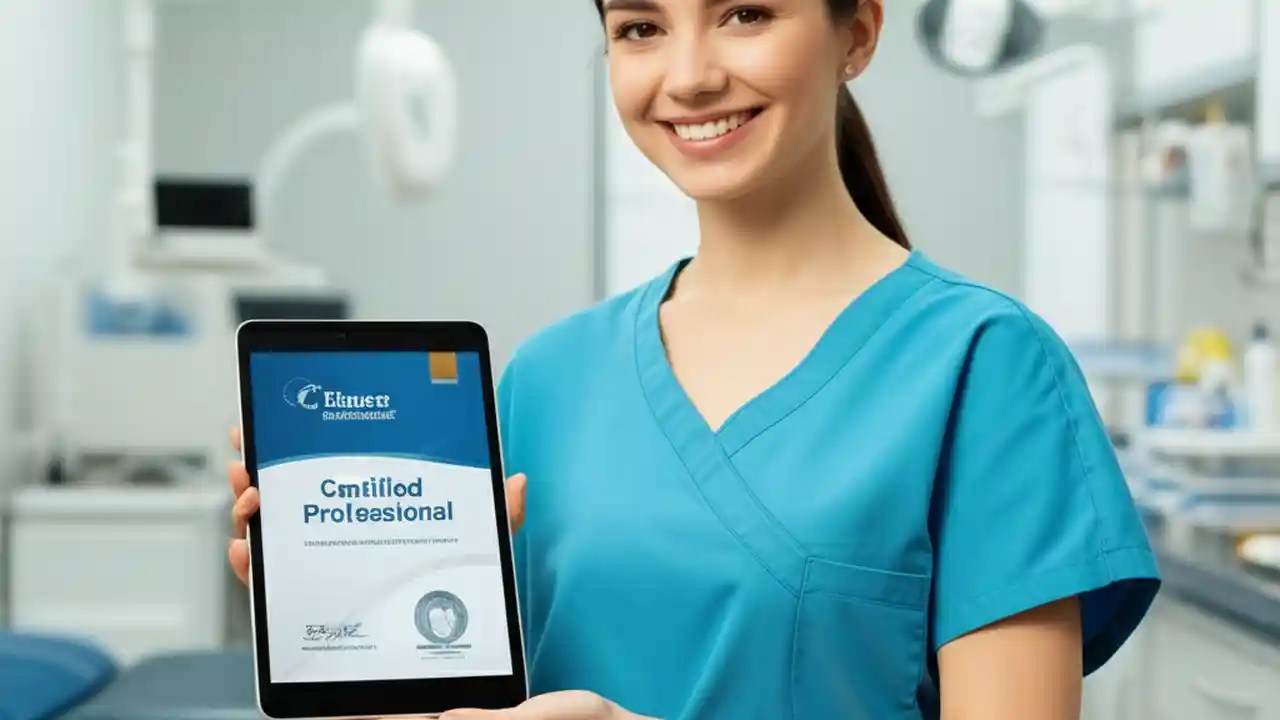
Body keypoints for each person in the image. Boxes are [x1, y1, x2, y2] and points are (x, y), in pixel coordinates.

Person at [227, 1, 1160, 717]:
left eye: (745, 13)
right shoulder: (546, 379)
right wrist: (345, 635)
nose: (687, 75)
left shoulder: (983, 366)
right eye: (639, 27)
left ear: (858, 33)